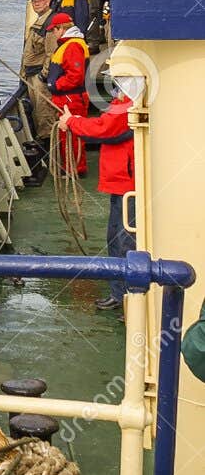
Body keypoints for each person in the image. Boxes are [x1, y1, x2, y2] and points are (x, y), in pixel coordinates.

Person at [58, 84, 136, 311]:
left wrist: (71, 122)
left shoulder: (131, 100)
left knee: (126, 240)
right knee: (116, 237)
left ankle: (130, 299)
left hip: (128, 182)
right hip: (122, 181)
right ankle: (120, 293)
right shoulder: (129, 98)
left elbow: (107, 127)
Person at [47, 11, 89, 174]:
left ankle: (75, 169)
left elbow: (75, 76)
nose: (53, 33)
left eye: (54, 30)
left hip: (70, 98)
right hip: (68, 97)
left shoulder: (72, 46)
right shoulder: (71, 44)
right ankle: (72, 166)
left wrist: (56, 85)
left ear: (61, 28)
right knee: (67, 134)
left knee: (72, 134)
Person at [20, 0, 57, 140]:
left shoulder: (49, 23)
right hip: (31, 75)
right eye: (34, 1)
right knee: (38, 113)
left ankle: (49, 150)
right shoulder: (39, 22)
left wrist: (43, 75)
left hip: (39, 76)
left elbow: (51, 53)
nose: (37, 4)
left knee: (44, 115)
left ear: (48, 1)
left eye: (40, 0)